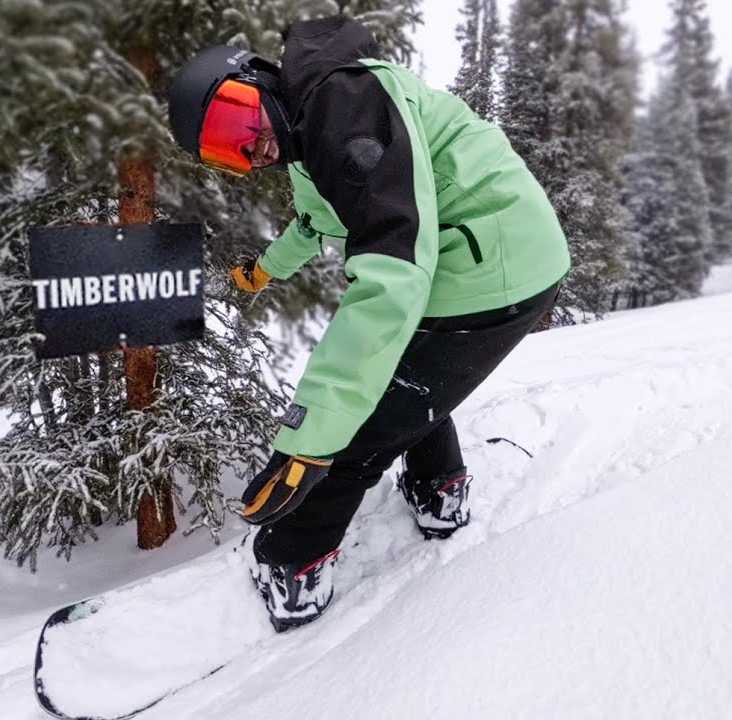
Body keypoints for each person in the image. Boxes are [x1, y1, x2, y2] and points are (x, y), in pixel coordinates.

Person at [167, 15, 571, 632]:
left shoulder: (342, 103)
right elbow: (315, 224)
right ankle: (439, 489)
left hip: (493, 265)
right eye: (228, 152)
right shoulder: (309, 131)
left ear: (257, 79)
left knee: (359, 422)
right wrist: (263, 272)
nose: (250, 148)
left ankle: (292, 563)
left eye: (236, 121)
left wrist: (308, 439)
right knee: (408, 378)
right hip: (482, 258)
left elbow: (392, 271)